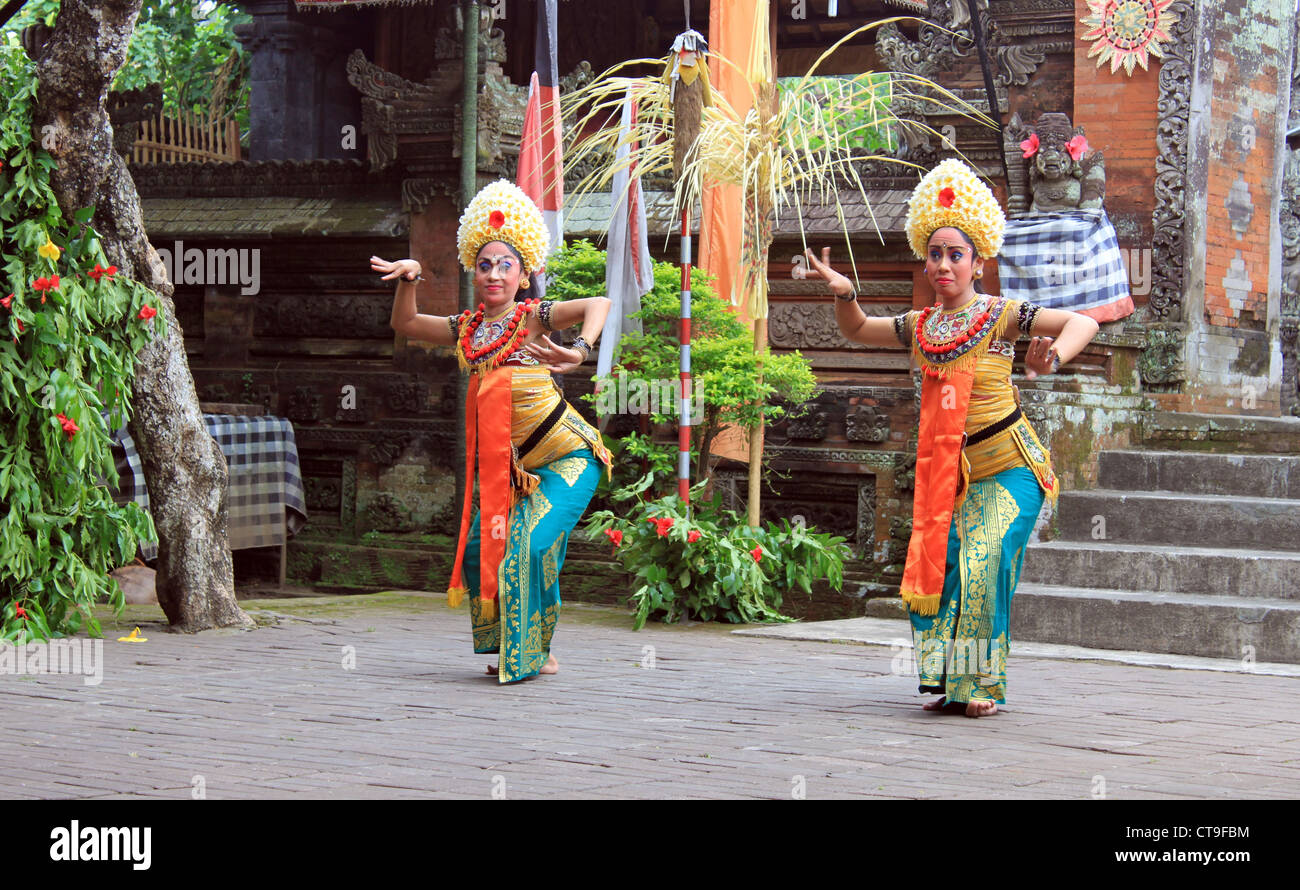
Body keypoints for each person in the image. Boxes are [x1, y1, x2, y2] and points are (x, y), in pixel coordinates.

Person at [801, 159, 1099, 717]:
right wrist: (845, 292)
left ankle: (982, 685)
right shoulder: (921, 326)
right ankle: (949, 680)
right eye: (935, 253)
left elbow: (1084, 322)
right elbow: (860, 329)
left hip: (1011, 467)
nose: (943, 265)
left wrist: (1051, 356)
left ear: (977, 261)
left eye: (955, 255)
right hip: (951, 474)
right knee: (944, 562)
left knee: (985, 559)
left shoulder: (1001, 314)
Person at [371, 179, 612, 683]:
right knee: (487, 543)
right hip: (515, 471)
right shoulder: (466, 329)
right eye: (485, 265)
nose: (494, 273)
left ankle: (530, 652)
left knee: (532, 544)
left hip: (569, 458)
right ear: (473, 273)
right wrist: (410, 278)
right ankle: (523, 644)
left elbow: (601, 303)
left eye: (506, 265)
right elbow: (408, 324)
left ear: (524, 276)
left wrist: (580, 350)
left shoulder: (532, 318)